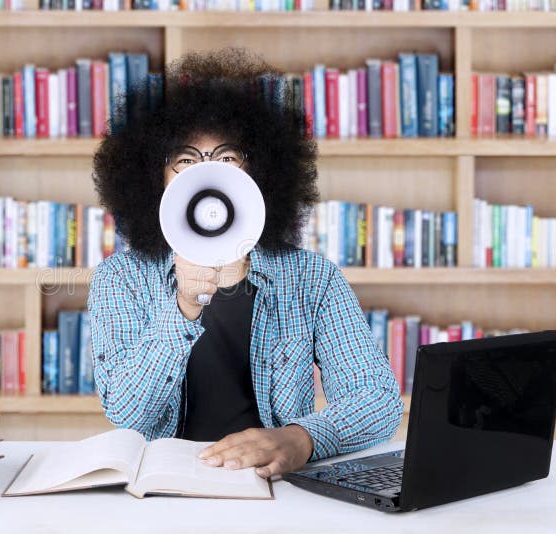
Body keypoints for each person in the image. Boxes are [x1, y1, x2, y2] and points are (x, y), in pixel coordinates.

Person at [89, 48, 403, 479]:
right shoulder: (120, 278)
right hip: (166, 485)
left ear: (256, 172)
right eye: (184, 160)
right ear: (153, 177)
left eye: (227, 157)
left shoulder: (312, 278)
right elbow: (128, 414)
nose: (206, 172)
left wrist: (301, 438)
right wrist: (182, 307)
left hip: (277, 484)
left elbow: (378, 400)